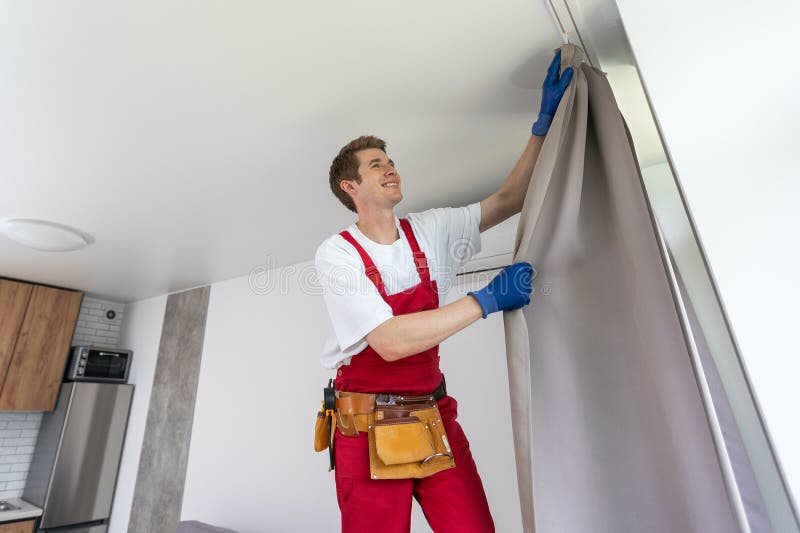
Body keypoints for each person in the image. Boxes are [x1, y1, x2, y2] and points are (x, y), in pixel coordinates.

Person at [314, 50, 574, 533]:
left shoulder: (432, 231)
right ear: (350, 186)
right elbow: (389, 343)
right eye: (376, 165)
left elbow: (510, 200)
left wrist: (542, 128)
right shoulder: (337, 253)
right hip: (364, 429)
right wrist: (484, 301)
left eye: (391, 161)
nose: (391, 169)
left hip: (432, 416)